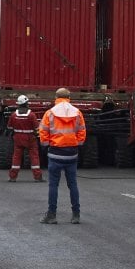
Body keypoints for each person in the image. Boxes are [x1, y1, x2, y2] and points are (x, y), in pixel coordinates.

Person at [38, 88, 86, 224]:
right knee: (73, 184)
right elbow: (82, 132)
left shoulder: (50, 113)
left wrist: (46, 145)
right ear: (69, 97)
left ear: (56, 97)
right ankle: (76, 215)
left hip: (55, 153)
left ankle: (51, 215)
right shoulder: (77, 113)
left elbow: (43, 132)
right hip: (71, 154)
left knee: (53, 185)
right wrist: (77, 144)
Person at [8, 94, 42, 181]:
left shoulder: (13, 115)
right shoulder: (31, 115)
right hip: (30, 138)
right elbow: (36, 128)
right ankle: (37, 177)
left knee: (16, 157)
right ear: (27, 103)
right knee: (34, 157)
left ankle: (13, 177)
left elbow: (10, 127)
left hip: (18, 138)